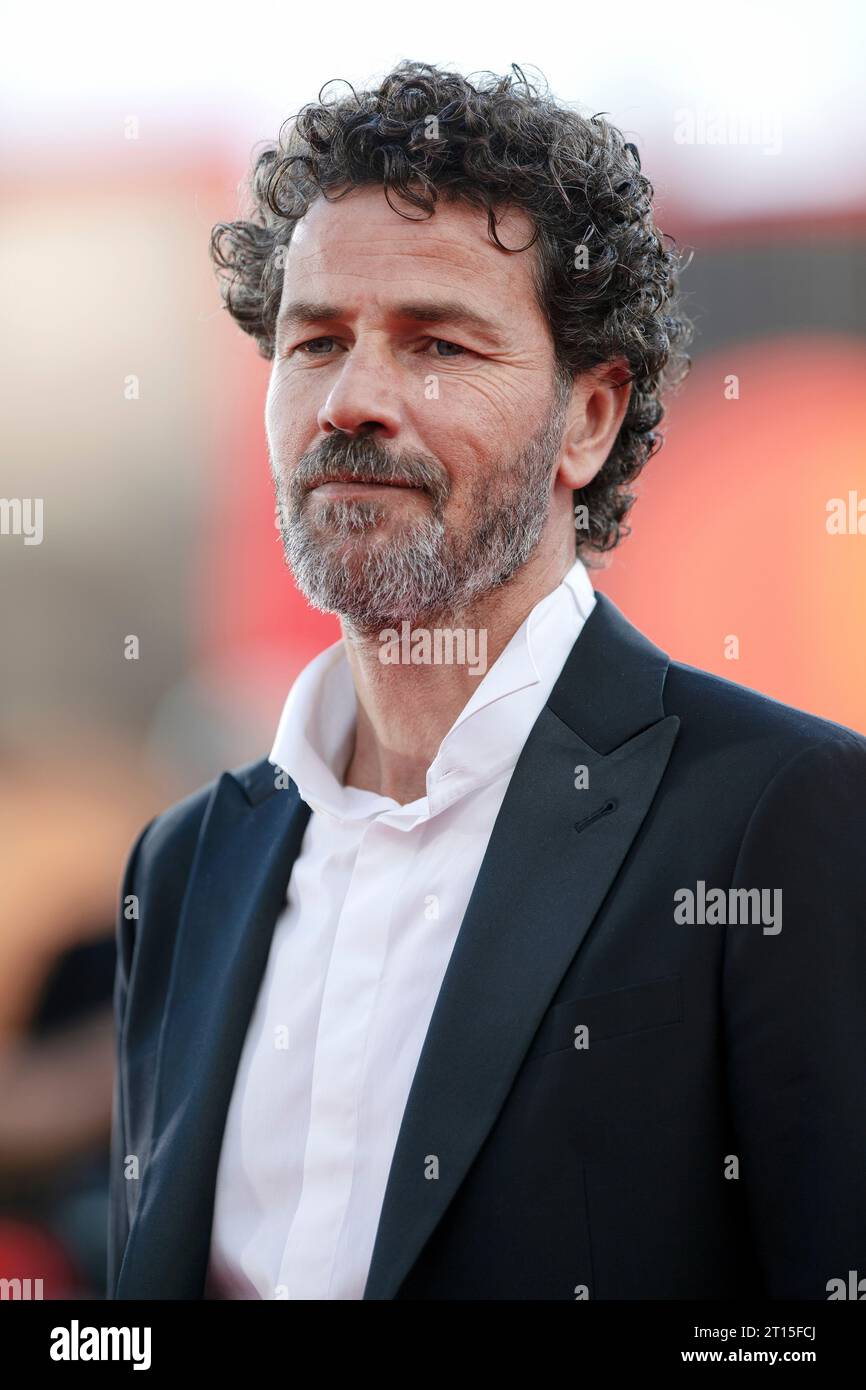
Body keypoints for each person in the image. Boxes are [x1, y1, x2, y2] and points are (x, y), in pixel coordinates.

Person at [108, 61, 866, 1300]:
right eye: (315, 343)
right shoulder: (188, 865)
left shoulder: (777, 814)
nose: (351, 400)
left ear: (589, 420)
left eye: (436, 344)